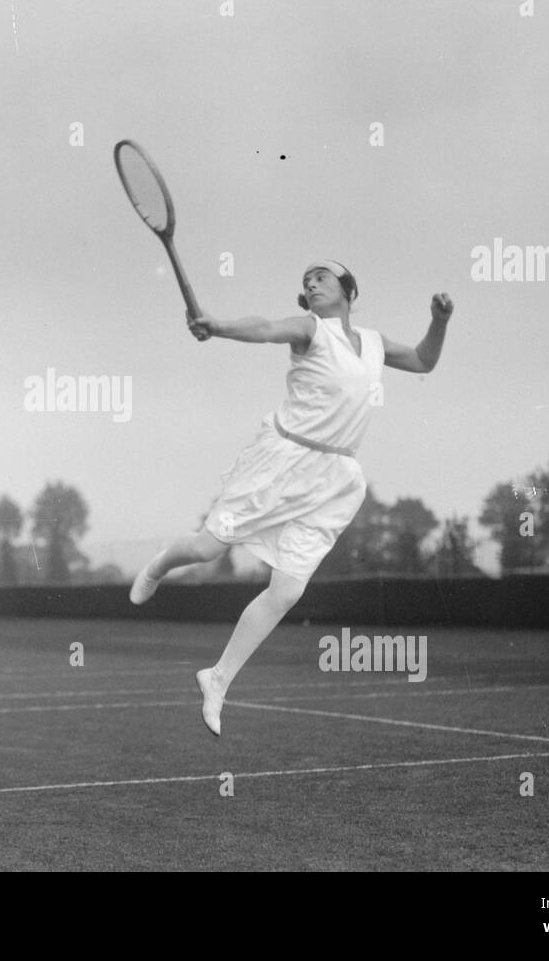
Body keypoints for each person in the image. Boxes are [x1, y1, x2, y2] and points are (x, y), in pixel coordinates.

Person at [130, 260, 453, 735]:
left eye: (321, 277)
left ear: (348, 290)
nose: (311, 284)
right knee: (205, 550)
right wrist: (216, 326)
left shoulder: (374, 344)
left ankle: (217, 680)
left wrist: (439, 321)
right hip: (280, 462)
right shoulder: (310, 329)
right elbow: (264, 328)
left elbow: (426, 360)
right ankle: (159, 566)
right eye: (306, 282)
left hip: (334, 478)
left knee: (287, 590)